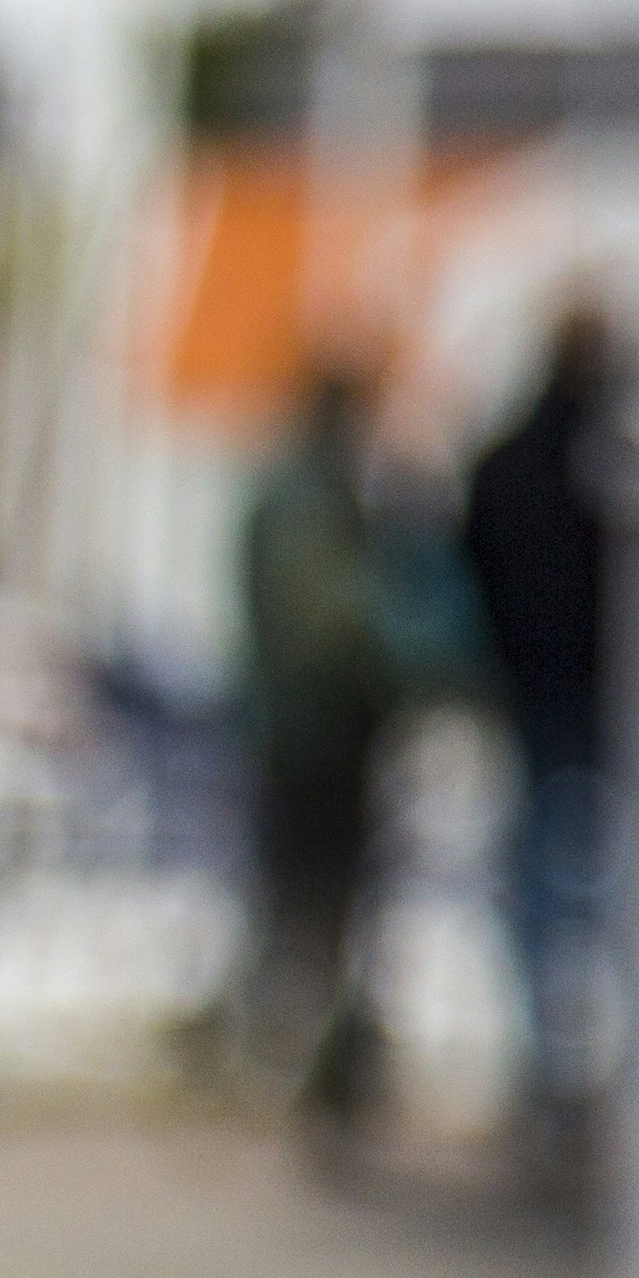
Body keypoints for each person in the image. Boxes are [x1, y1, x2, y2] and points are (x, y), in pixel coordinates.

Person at [455, 295, 636, 1178]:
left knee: (542, 891)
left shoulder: (507, 461)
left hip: (531, 695)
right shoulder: (616, 466)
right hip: (599, 702)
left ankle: (550, 1066)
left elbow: (472, 561)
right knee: (610, 891)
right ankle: (596, 1069)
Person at [231, 353, 406, 1156]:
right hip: (321, 733)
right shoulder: (316, 503)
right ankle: (310, 1071)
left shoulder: (291, 495)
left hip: (288, 730)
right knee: (320, 910)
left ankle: (304, 1066)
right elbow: (332, 623)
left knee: (303, 908)